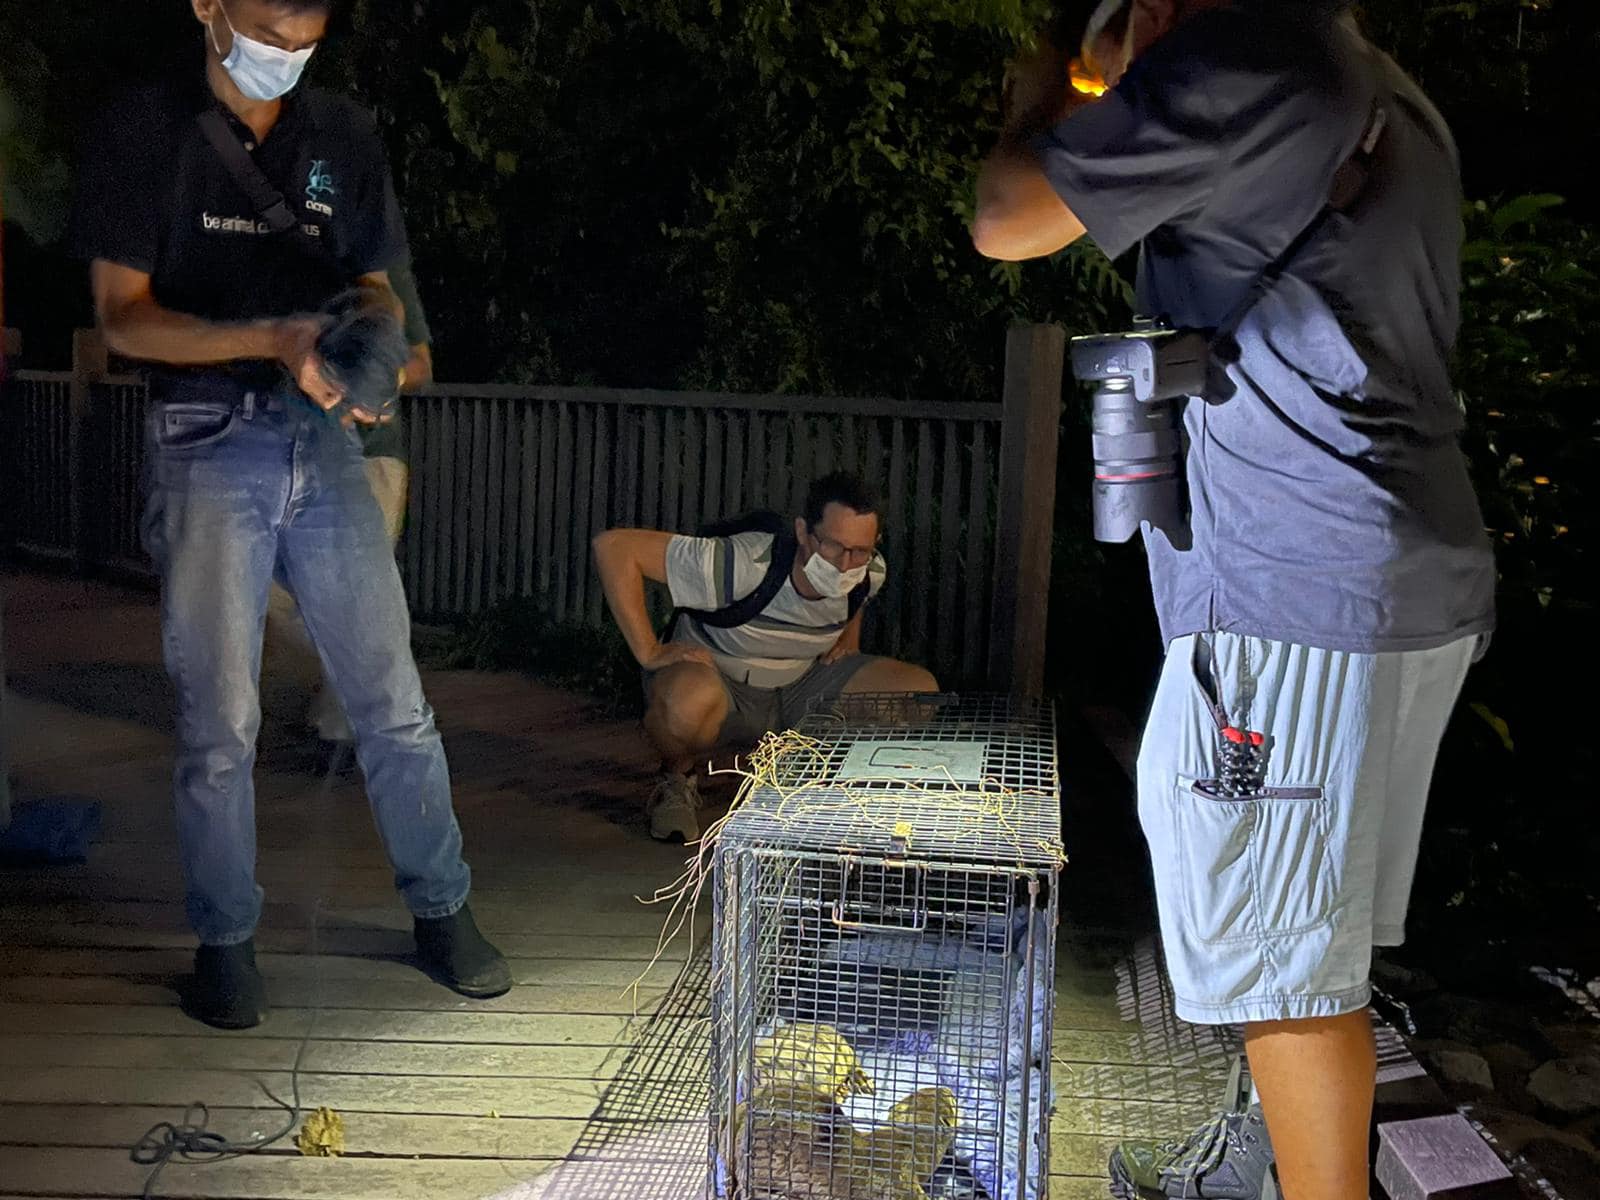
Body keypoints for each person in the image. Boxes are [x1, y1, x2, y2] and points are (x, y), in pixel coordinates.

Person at [973, 3, 1495, 1199]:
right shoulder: (1376, 80)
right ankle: (1258, 1162)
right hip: (1396, 571)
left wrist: (1045, 92)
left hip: (1293, 592)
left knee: (1285, 975)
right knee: (1300, 939)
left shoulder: (1245, 56)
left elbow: (1006, 219)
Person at [67, 0, 510, 1029]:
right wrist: (275, 339)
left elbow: (377, 283)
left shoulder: (340, 133)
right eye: (271, 33)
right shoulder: (144, 128)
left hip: (325, 439)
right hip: (202, 437)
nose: (290, 55)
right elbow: (124, 318)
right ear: (208, 6)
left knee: (392, 698)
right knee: (219, 719)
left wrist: (372, 349)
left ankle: (442, 909)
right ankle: (226, 942)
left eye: (308, 39)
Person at [593, 472, 939, 843]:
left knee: (916, 693)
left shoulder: (870, 571)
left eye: (859, 551)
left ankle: (813, 775)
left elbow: (857, 597)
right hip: (721, 682)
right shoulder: (744, 561)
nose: (845, 564)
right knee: (683, 705)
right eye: (833, 546)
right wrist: (649, 650)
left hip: (800, 683)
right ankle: (677, 777)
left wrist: (847, 642)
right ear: (803, 532)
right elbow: (615, 547)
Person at [264, 254, 431, 745]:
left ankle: (347, 725)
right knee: (273, 594)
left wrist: (363, 375)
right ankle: (361, 688)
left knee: (355, 593)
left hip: (370, 453)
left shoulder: (375, 262)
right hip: (280, 446)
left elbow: (419, 364)